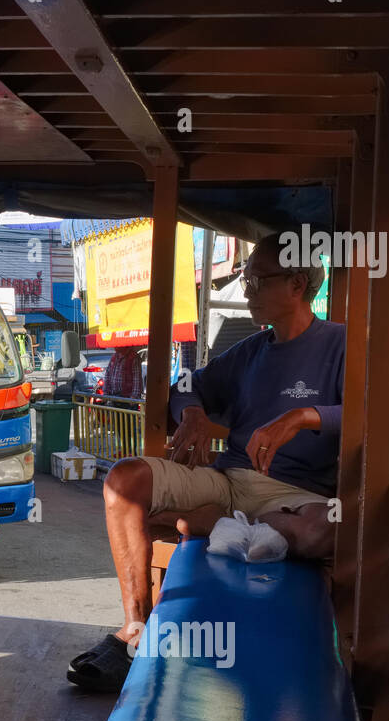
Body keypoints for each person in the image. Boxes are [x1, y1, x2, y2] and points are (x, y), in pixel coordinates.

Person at [68, 231, 344, 693]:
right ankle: (136, 627)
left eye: (256, 280)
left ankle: (213, 524)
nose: (247, 290)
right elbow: (186, 385)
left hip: (299, 497)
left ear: (297, 284)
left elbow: (378, 410)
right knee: (124, 479)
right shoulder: (250, 351)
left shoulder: (341, 344)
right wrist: (192, 411)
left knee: (329, 527)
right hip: (229, 480)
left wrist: (302, 416)